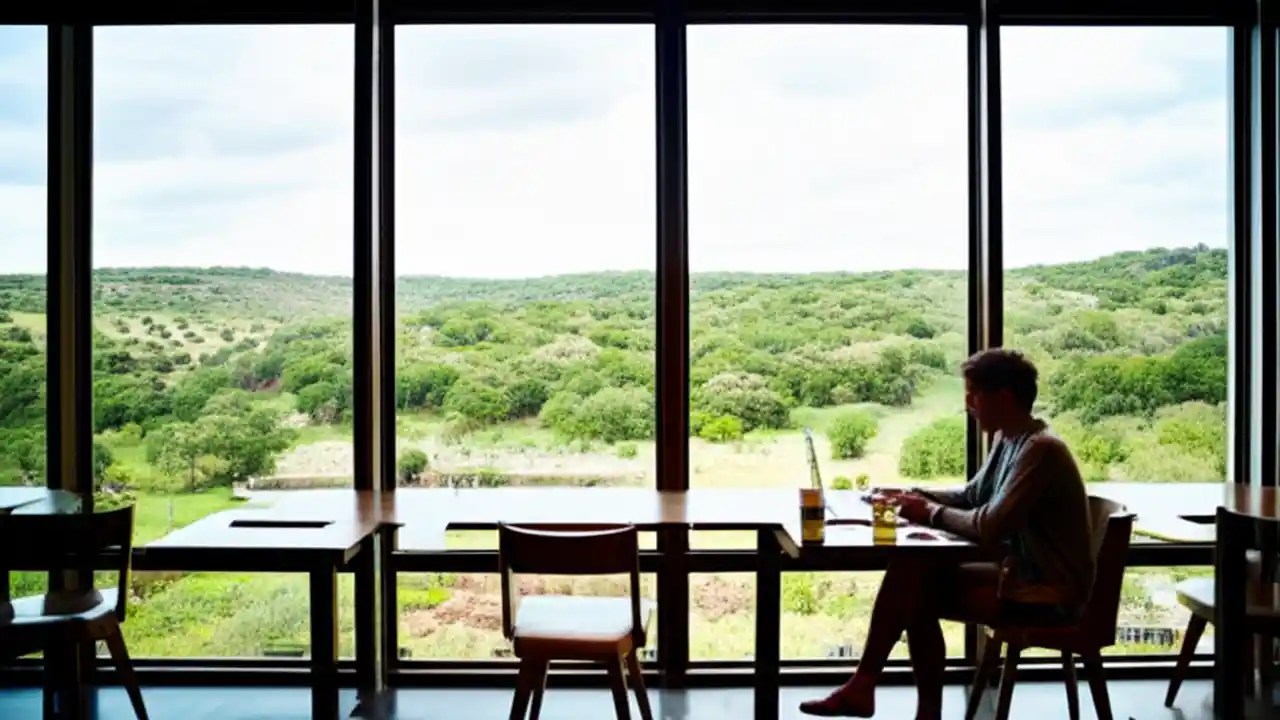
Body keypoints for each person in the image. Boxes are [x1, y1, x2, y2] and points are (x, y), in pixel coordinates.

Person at [799, 348, 1096, 719]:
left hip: (1048, 594)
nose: (968, 403)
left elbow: (989, 525)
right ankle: (880, 693)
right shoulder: (1009, 440)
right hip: (1020, 575)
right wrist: (911, 494)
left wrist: (929, 512)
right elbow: (973, 496)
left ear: (1003, 397)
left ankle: (877, 692)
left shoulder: (1041, 451)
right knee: (914, 574)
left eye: (973, 394)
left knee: (914, 586)